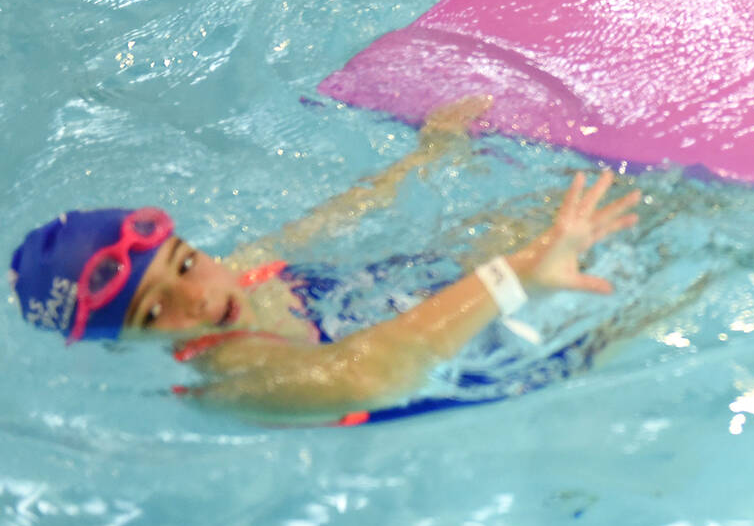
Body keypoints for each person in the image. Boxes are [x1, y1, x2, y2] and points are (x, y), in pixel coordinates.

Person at [8, 97, 650, 426]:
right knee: (660, 281)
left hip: (406, 303)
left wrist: (427, 156)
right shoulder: (237, 383)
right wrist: (516, 275)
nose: (199, 298)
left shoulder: (243, 273)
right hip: (444, 377)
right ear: (126, 343)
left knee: (585, 201)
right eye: (154, 313)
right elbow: (373, 375)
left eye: (184, 265)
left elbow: (338, 216)